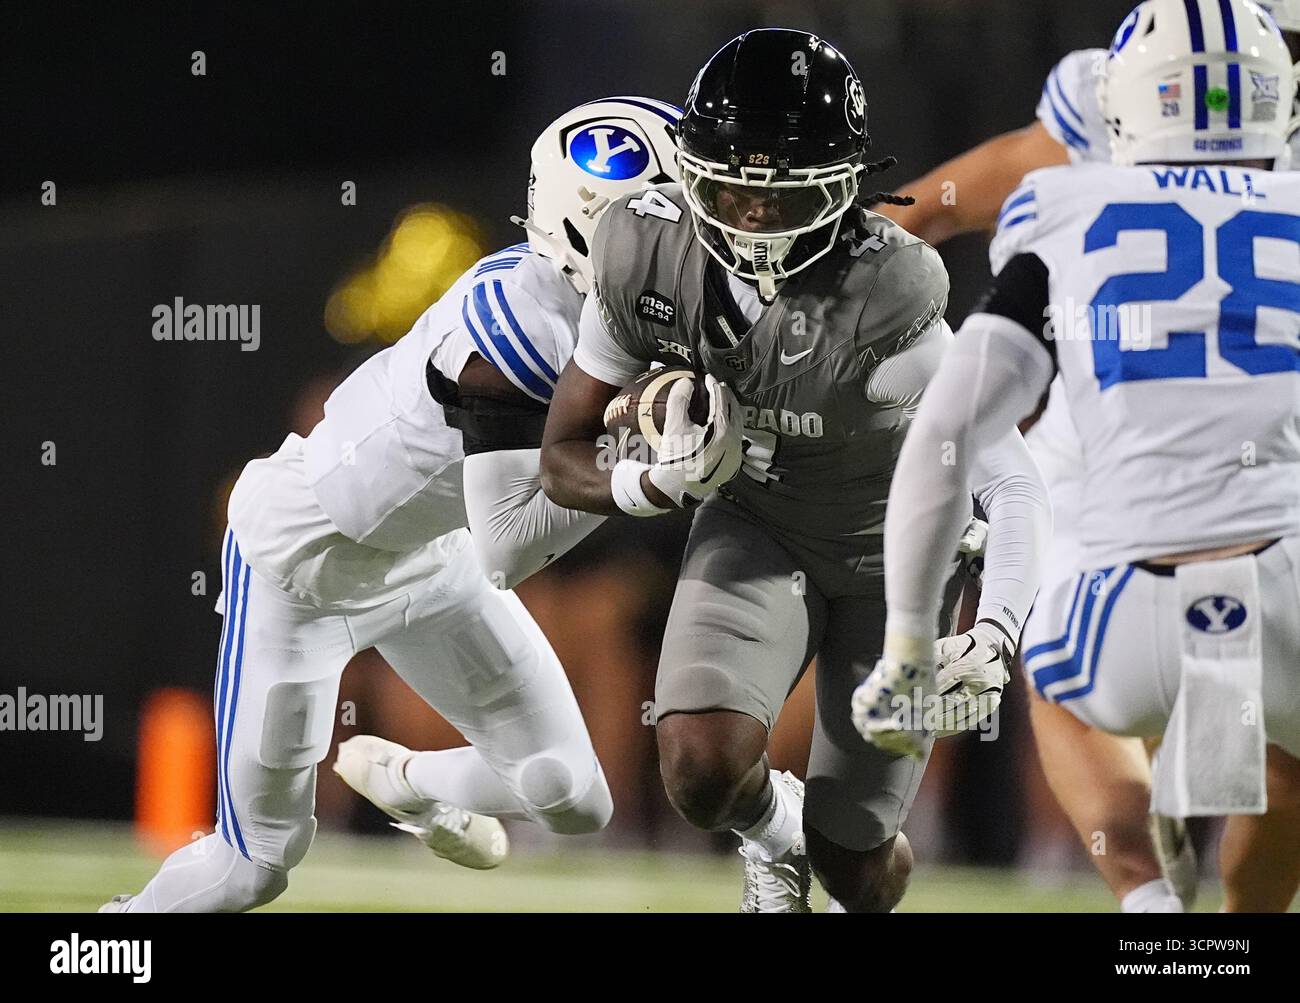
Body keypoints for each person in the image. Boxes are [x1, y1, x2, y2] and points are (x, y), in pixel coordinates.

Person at [100, 97, 683, 912]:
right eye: (658, 224)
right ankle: (100, 947)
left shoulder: (609, 318)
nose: (681, 249)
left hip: (427, 561)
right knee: (254, 866)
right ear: (588, 230)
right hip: (300, 568)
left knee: (574, 797)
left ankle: (403, 780)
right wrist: (654, 474)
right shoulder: (505, 328)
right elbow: (513, 542)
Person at [539, 29, 1050, 913]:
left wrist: (996, 633)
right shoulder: (641, 249)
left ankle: (825, 844)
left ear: (844, 190)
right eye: (733, 184)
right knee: (698, 769)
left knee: (855, 865)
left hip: (892, 562)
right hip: (759, 524)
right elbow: (563, 453)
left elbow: (1013, 481)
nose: (752, 216)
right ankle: (773, 839)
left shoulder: (890, 293)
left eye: (784, 195)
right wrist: (652, 483)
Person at [855, 0, 1300, 913]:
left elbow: (952, 425)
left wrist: (906, 645)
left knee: (1087, 644)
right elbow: (949, 194)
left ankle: (1162, 892)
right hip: (1229, 506)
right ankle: (1222, 890)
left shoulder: (1080, 182)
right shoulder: (1173, 100)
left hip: (1121, 489)